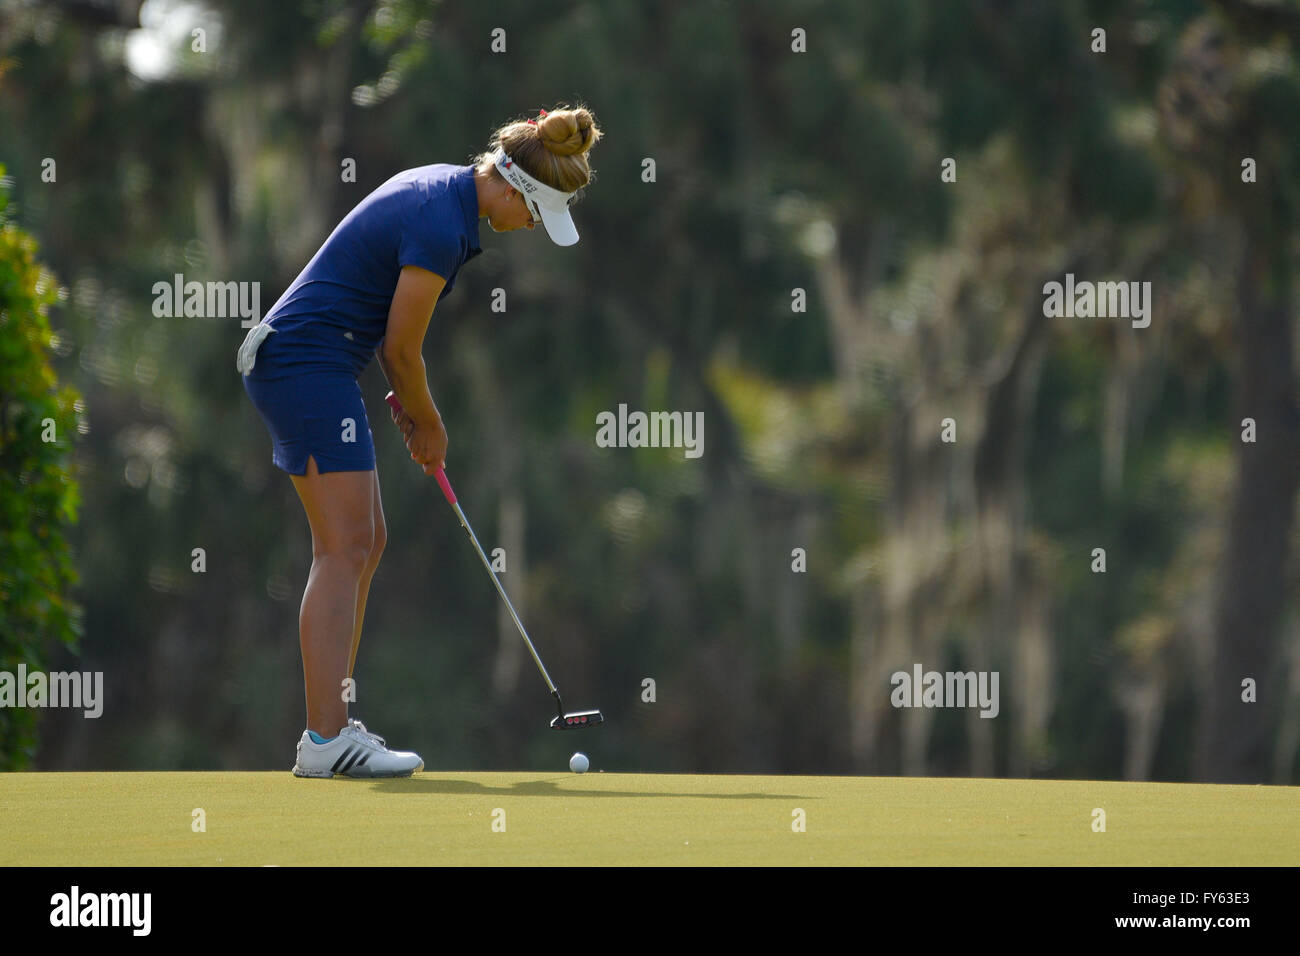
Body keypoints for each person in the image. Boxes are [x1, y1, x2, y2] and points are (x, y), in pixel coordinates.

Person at [236, 105, 603, 777]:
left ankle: (335, 726)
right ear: (516, 187)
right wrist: (428, 422)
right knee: (343, 546)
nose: (528, 229)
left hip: (315, 364)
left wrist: (412, 409)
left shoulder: (446, 192)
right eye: (535, 215)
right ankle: (323, 741)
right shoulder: (442, 222)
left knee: (364, 542)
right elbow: (402, 348)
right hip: (302, 365)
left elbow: (387, 338)